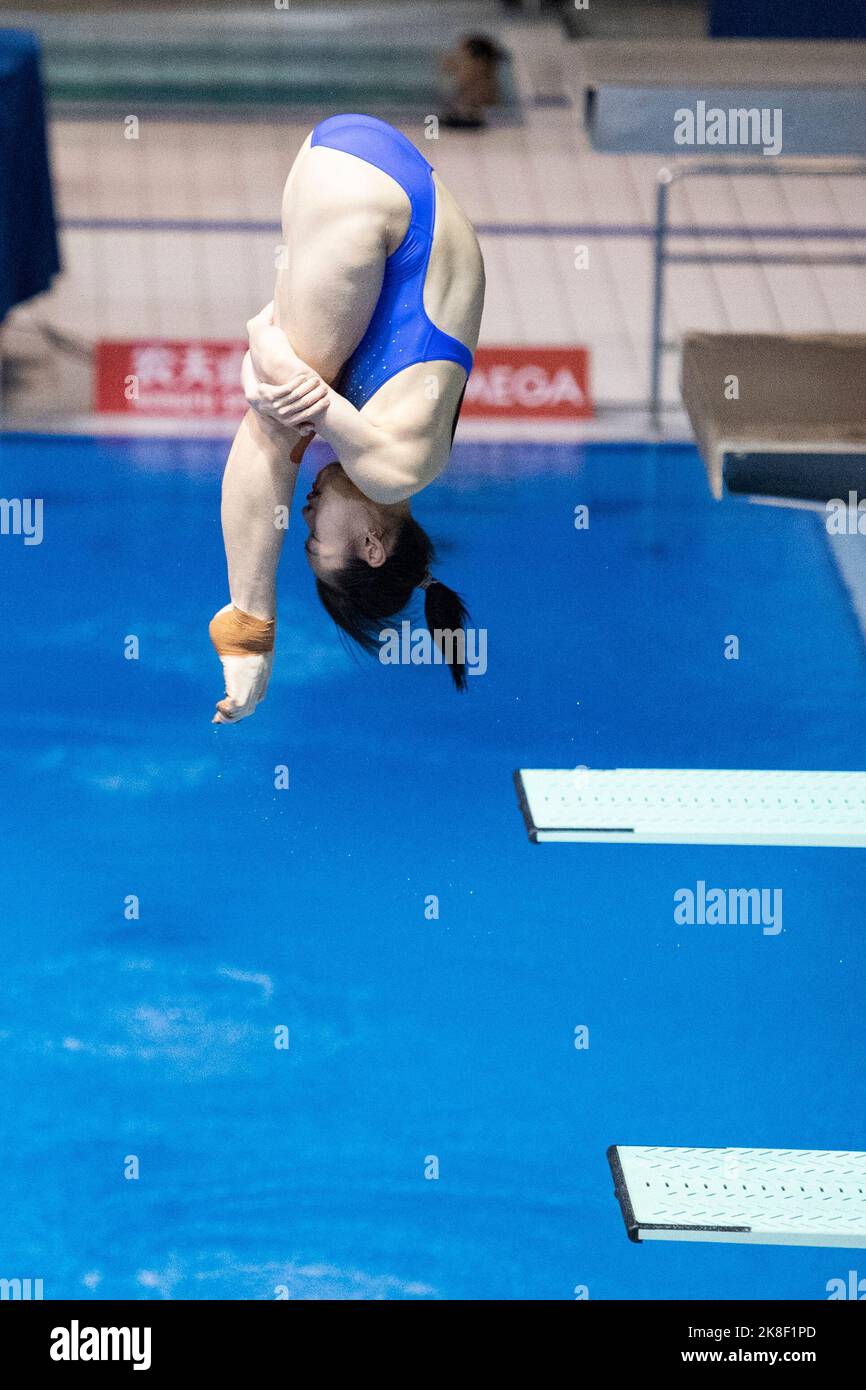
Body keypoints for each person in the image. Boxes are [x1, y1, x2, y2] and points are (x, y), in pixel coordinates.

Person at [210, 113, 485, 722]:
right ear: (372, 546)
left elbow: (282, 367)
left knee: (278, 413)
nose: (304, 515)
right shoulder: (395, 472)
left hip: (377, 166)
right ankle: (249, 635)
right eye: (314, 541)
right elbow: (278, 383)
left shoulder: (386, 459)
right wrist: (264, 350)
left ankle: (250, 633)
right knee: (274, 428)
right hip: (366, 199)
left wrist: (268, 357)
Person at [440, 34, 505, 129]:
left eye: (460, 60)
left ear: (479, 65)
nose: (450, 66)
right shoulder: (463, 103)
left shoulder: (491, 112)